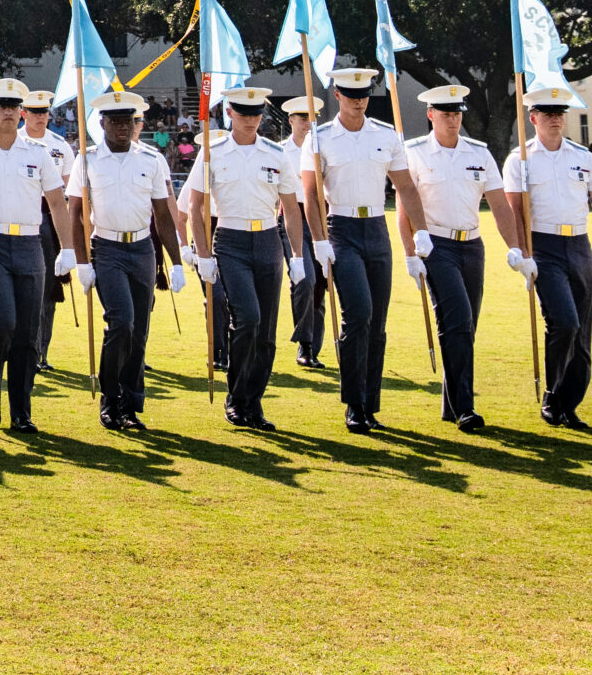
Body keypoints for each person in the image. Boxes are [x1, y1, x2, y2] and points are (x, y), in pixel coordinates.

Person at [297, 66, 426, 433]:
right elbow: (310, 192)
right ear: (337, 95)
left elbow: (405, 188)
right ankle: (354, 403)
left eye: (364, 95)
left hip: (376, 229)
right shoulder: (320, 138)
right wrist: (319, 238)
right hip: (342, 227)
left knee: (378, 323)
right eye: (351, 96)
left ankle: (370, 403)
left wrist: (422, 234)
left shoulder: (386, 136)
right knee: (359, 315)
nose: (359, 101)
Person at [179, 87, 309, 431]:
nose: (250, 119)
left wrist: (297, 255)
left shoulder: (275, 153)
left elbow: (291, 208)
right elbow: (196, 206)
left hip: (267, 239)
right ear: (230, 113)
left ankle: (253, 402)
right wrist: (202, 253)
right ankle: (236, 398)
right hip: (231, 240)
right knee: (248, 319)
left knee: (266, 333)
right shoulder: (212, 151)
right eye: (243, 113)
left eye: (255, 114)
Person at [397, 83, 522, 432]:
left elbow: (499, 205)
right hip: (436, 245)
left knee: (466, 328)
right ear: (430, 114)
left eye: (457, 114)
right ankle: (465, 408)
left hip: (472, 245)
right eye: (446, 114)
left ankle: (451, 405)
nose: (453, 120)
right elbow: (405, 210)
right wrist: (410, 254)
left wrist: (515, 248)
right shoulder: (415, 153)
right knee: (458, 321)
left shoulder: (478, 153)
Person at [503, 85, 592, 430]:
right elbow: (514, 209)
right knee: (565, 323)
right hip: (544, 246)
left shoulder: (583, 158)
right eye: (547, 114)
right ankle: (552, 394)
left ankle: (568, 405)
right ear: (533, 118)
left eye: (560, 114)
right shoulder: (521, 159)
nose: (555, 119)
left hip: (579, 245)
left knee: (582, 333)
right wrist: (522, 253)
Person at [0, 78, 74, 434]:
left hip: (29, 245)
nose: (7, 111)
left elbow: (57, 201)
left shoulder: (37, 154)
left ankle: (21, 409)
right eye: (0, 105)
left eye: (13, 106)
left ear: (21, 111)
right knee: (3, 323)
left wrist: (67, 248)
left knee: (27, 333)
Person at [65, 91, 186, 434]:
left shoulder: (151, 158)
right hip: (106, 248)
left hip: (142, 249)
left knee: (140, 331)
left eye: (128, 121)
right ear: (101, 123)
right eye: (115, 121)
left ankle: (131, 405)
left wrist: (175, 261)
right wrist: (82, 261)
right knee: (121, 322)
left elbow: (162, 215)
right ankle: (110, 398)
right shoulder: (86, 161)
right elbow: (75, 214)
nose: (122, 127)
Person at [20, 92, 75, 371]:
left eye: (44, 112)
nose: (40, 117)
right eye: (34, 111)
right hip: (22, 216)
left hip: (50, 217)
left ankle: (42, 350)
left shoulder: (60, 146)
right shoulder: (14, 143)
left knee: (49, 289)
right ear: (23, 114)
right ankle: (22, 348)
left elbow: (69, 191)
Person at [281, 97, 330, 369]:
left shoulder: (322, 150)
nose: (307, 126)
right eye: (301, 119)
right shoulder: (280, 151)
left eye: (311, 120)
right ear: (290, 120)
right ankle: (305, 343)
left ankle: (314, 346)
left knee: (321, 283)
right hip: (292, 218)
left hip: (321, 217)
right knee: (305, 279)